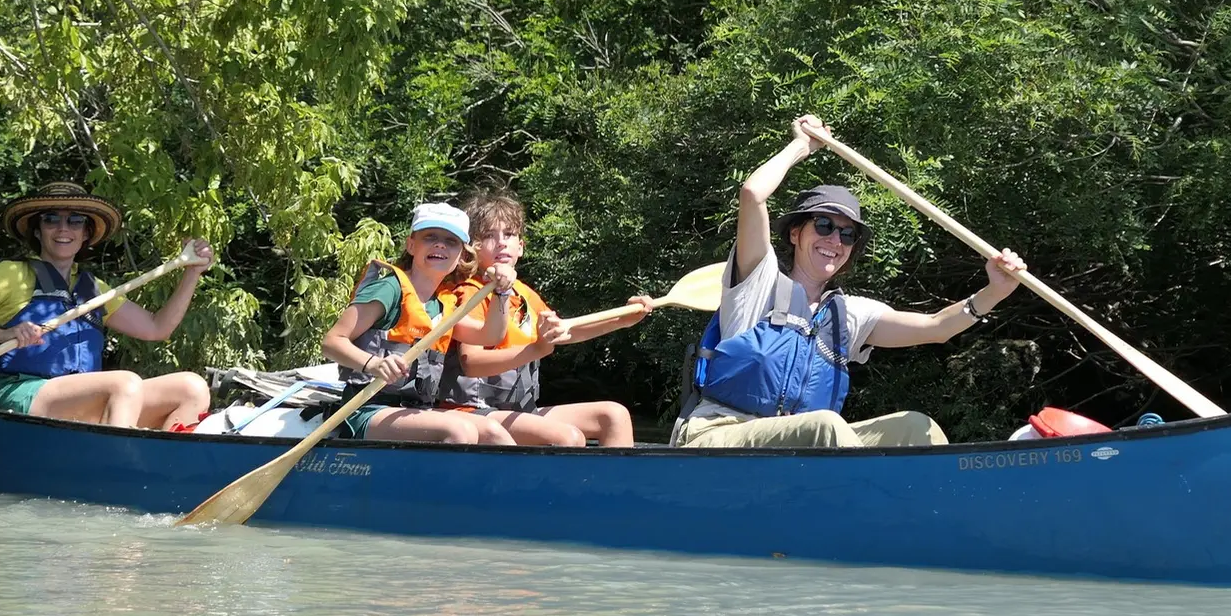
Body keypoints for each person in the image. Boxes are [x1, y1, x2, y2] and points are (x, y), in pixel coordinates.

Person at [676, 115, 1026, 448]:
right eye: (824, 226)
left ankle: (938, 504)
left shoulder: (851, 315)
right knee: (825, 425)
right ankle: (866, 503)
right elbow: (753, 194)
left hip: (802, 452)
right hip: (720, 434)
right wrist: (802, 146)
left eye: (847, 235)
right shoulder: (758, 281)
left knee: (916, 427)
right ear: (797, 233)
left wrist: (995, 291)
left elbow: (936, 327)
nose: (835, 241)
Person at [0, 181, 214, 430]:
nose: (63, 228)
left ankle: (165, 466)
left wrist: (191, 274)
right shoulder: (12, 273)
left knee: (192, 387)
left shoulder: (95, 290)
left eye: (75, 221)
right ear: (38, 231)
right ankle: (116, 471)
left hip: (83, 396)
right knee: (123, 383)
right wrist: (4, 334)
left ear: (86, 234)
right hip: (20, 390)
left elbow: (157, 329)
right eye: (51, 219)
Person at [440, 189, 655, 447]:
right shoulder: (470, 293)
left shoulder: (524, 294)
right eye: (488, 236)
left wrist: (622, 320)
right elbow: (471, 363)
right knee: (567, 437)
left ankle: (613, 488)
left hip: (520, 410)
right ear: (471, 249)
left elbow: (564, 332)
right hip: (472, 410)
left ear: (520, 246)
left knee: (614, 415)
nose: (501, 243)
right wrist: (537, 349)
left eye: (509, 235)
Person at [319, 202, 518, 444]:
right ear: (411, 244)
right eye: (430, 237)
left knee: (493, 432)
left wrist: (502, 292)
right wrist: (373, 364)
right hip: (367, 408)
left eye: (451, 241)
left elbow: (491, 336)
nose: (440, 245)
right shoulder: (388, 289)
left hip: (417, 411)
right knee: (460, 431)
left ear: (461, 255)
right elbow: (331, 342)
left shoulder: (443, 306)